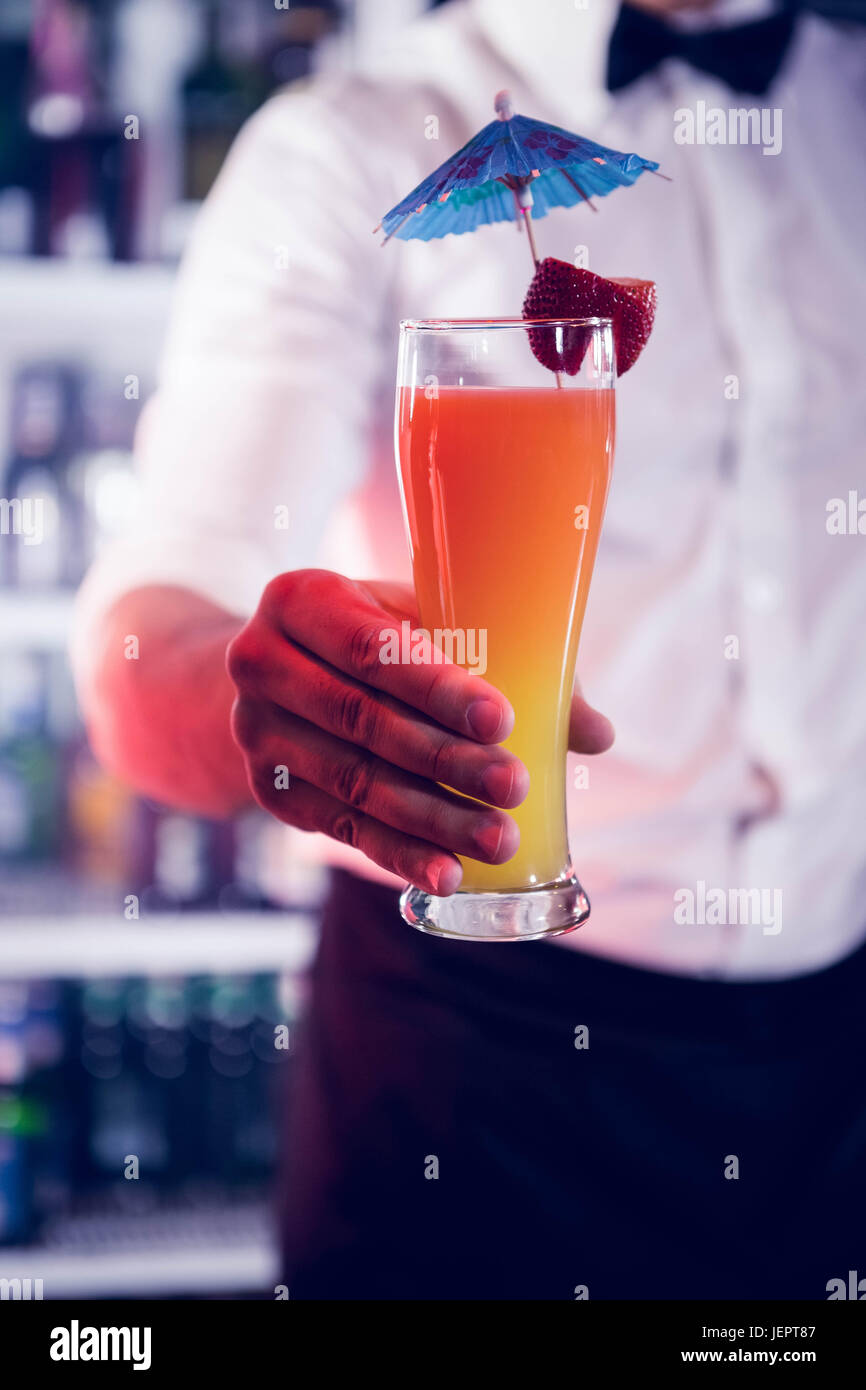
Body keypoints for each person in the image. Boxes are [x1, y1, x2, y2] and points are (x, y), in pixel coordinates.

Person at [72, 0, 866, 1299]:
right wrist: (269, 713)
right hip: (475, 1047)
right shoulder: (351, 147)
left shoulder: (847, 107)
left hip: (840, 1055)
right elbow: (147, 642)